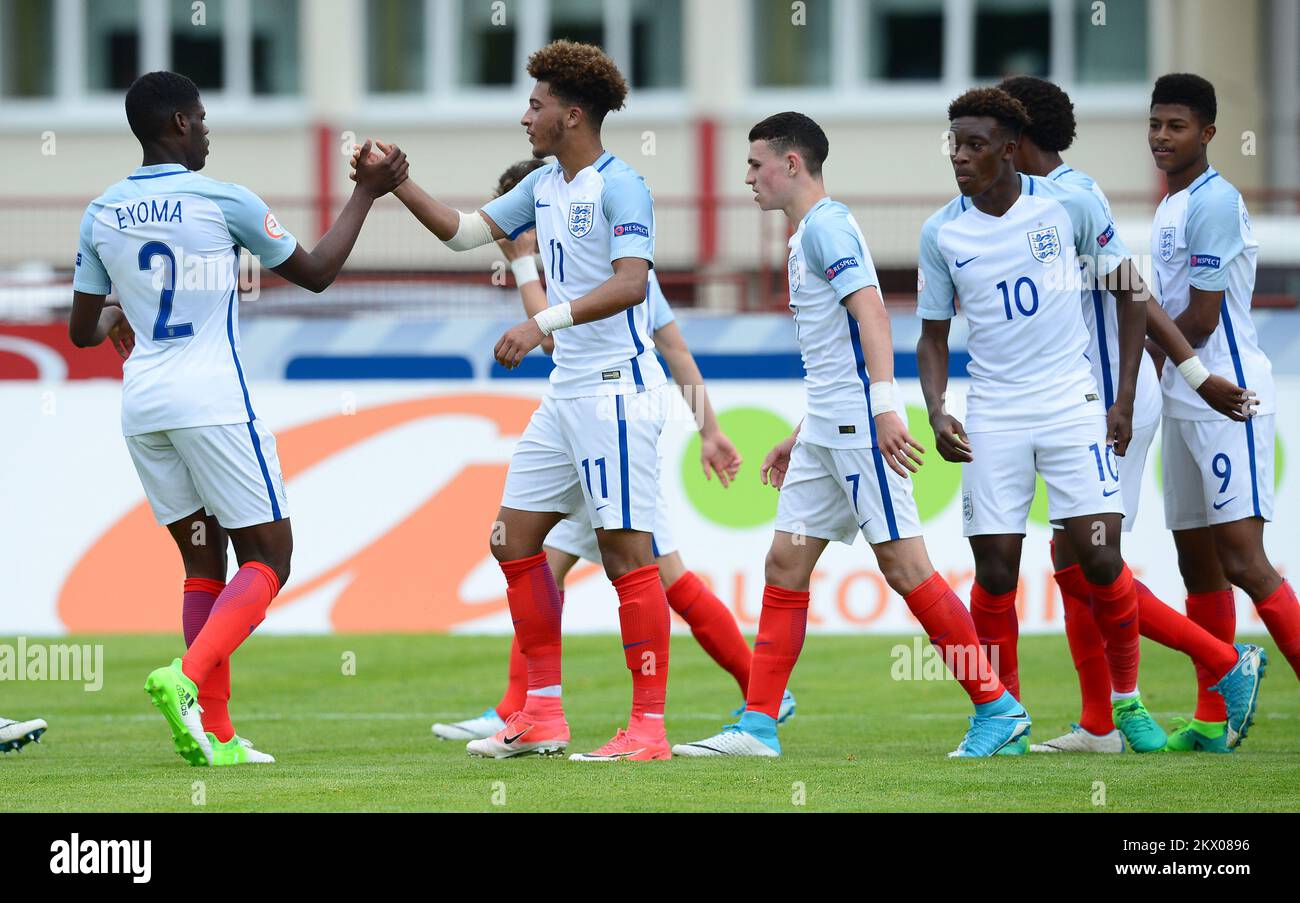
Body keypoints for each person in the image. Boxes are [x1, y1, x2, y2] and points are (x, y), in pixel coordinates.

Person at [68, 70, 408, 766]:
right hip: (213, 399)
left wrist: (117, 311)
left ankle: (217, 735)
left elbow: (81, 329)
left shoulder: (100, 211)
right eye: (201, 118)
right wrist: (367, 193)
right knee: (270, 558)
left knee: (203, 560)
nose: (208, 131)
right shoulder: (221, 199)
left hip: (144, 404)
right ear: (178, 126)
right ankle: (184, 679)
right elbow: (315, 272)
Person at [914, 88, 1265, 754]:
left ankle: (1136, 701)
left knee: (1098, 557)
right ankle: (1008, 716)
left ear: (1011, 148)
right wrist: (937, 408)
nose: (959, 156)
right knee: (995, 568)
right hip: (994, 409)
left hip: (1074, 399)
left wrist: (1126, 396)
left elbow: (1131, 291)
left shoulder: (1069, 205)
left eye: (974, 144)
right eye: (953, 144)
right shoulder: (941, 232)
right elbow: (932, 335)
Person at [674, 112, 1026, 759]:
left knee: (906, 566)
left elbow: (871, 314)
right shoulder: (809, 231)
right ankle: (757, 725)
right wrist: (801, 432)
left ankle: (997, 706)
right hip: (826, 432)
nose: (747, 178)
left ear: (792, 165)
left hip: (861, 431)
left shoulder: (828, 226)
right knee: (785, 561)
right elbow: (838, 349)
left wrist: (887, 411)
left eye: (755, 165)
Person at [370, 42, 677, 762]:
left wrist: (541, 321)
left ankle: (649, 729)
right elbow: (464, 233)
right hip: (566, 392)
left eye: (535, 105)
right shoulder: (542, 183)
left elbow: (633, 283)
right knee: (512, 538)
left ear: (572, 115)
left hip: (616, 392)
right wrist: (399, 184)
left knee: (627, 551)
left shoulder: (622, 186)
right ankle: (542, 713)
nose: (524, 116)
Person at [428, 160, 790, 741]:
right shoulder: (588, 263)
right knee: (546, 562)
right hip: (590, 419)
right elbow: (661, 344)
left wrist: (710, 429)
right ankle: (522, 707)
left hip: (617, 415)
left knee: (658, 574)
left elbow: (563, 339)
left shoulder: (603, 263)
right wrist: (708, 428)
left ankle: (758, 694)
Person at [1147, 73, 1297, 751]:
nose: (1161, 137)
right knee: (1196, 563)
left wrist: (1136, 352)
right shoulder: (1171, 205)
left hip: (1224, 394)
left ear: (1208, 133)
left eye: (1176, 126)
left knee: (1244, 559)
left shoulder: (1215, 203)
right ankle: (1214, 719)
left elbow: (1202, 319)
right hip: (1184, 396)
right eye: (1154, 124)